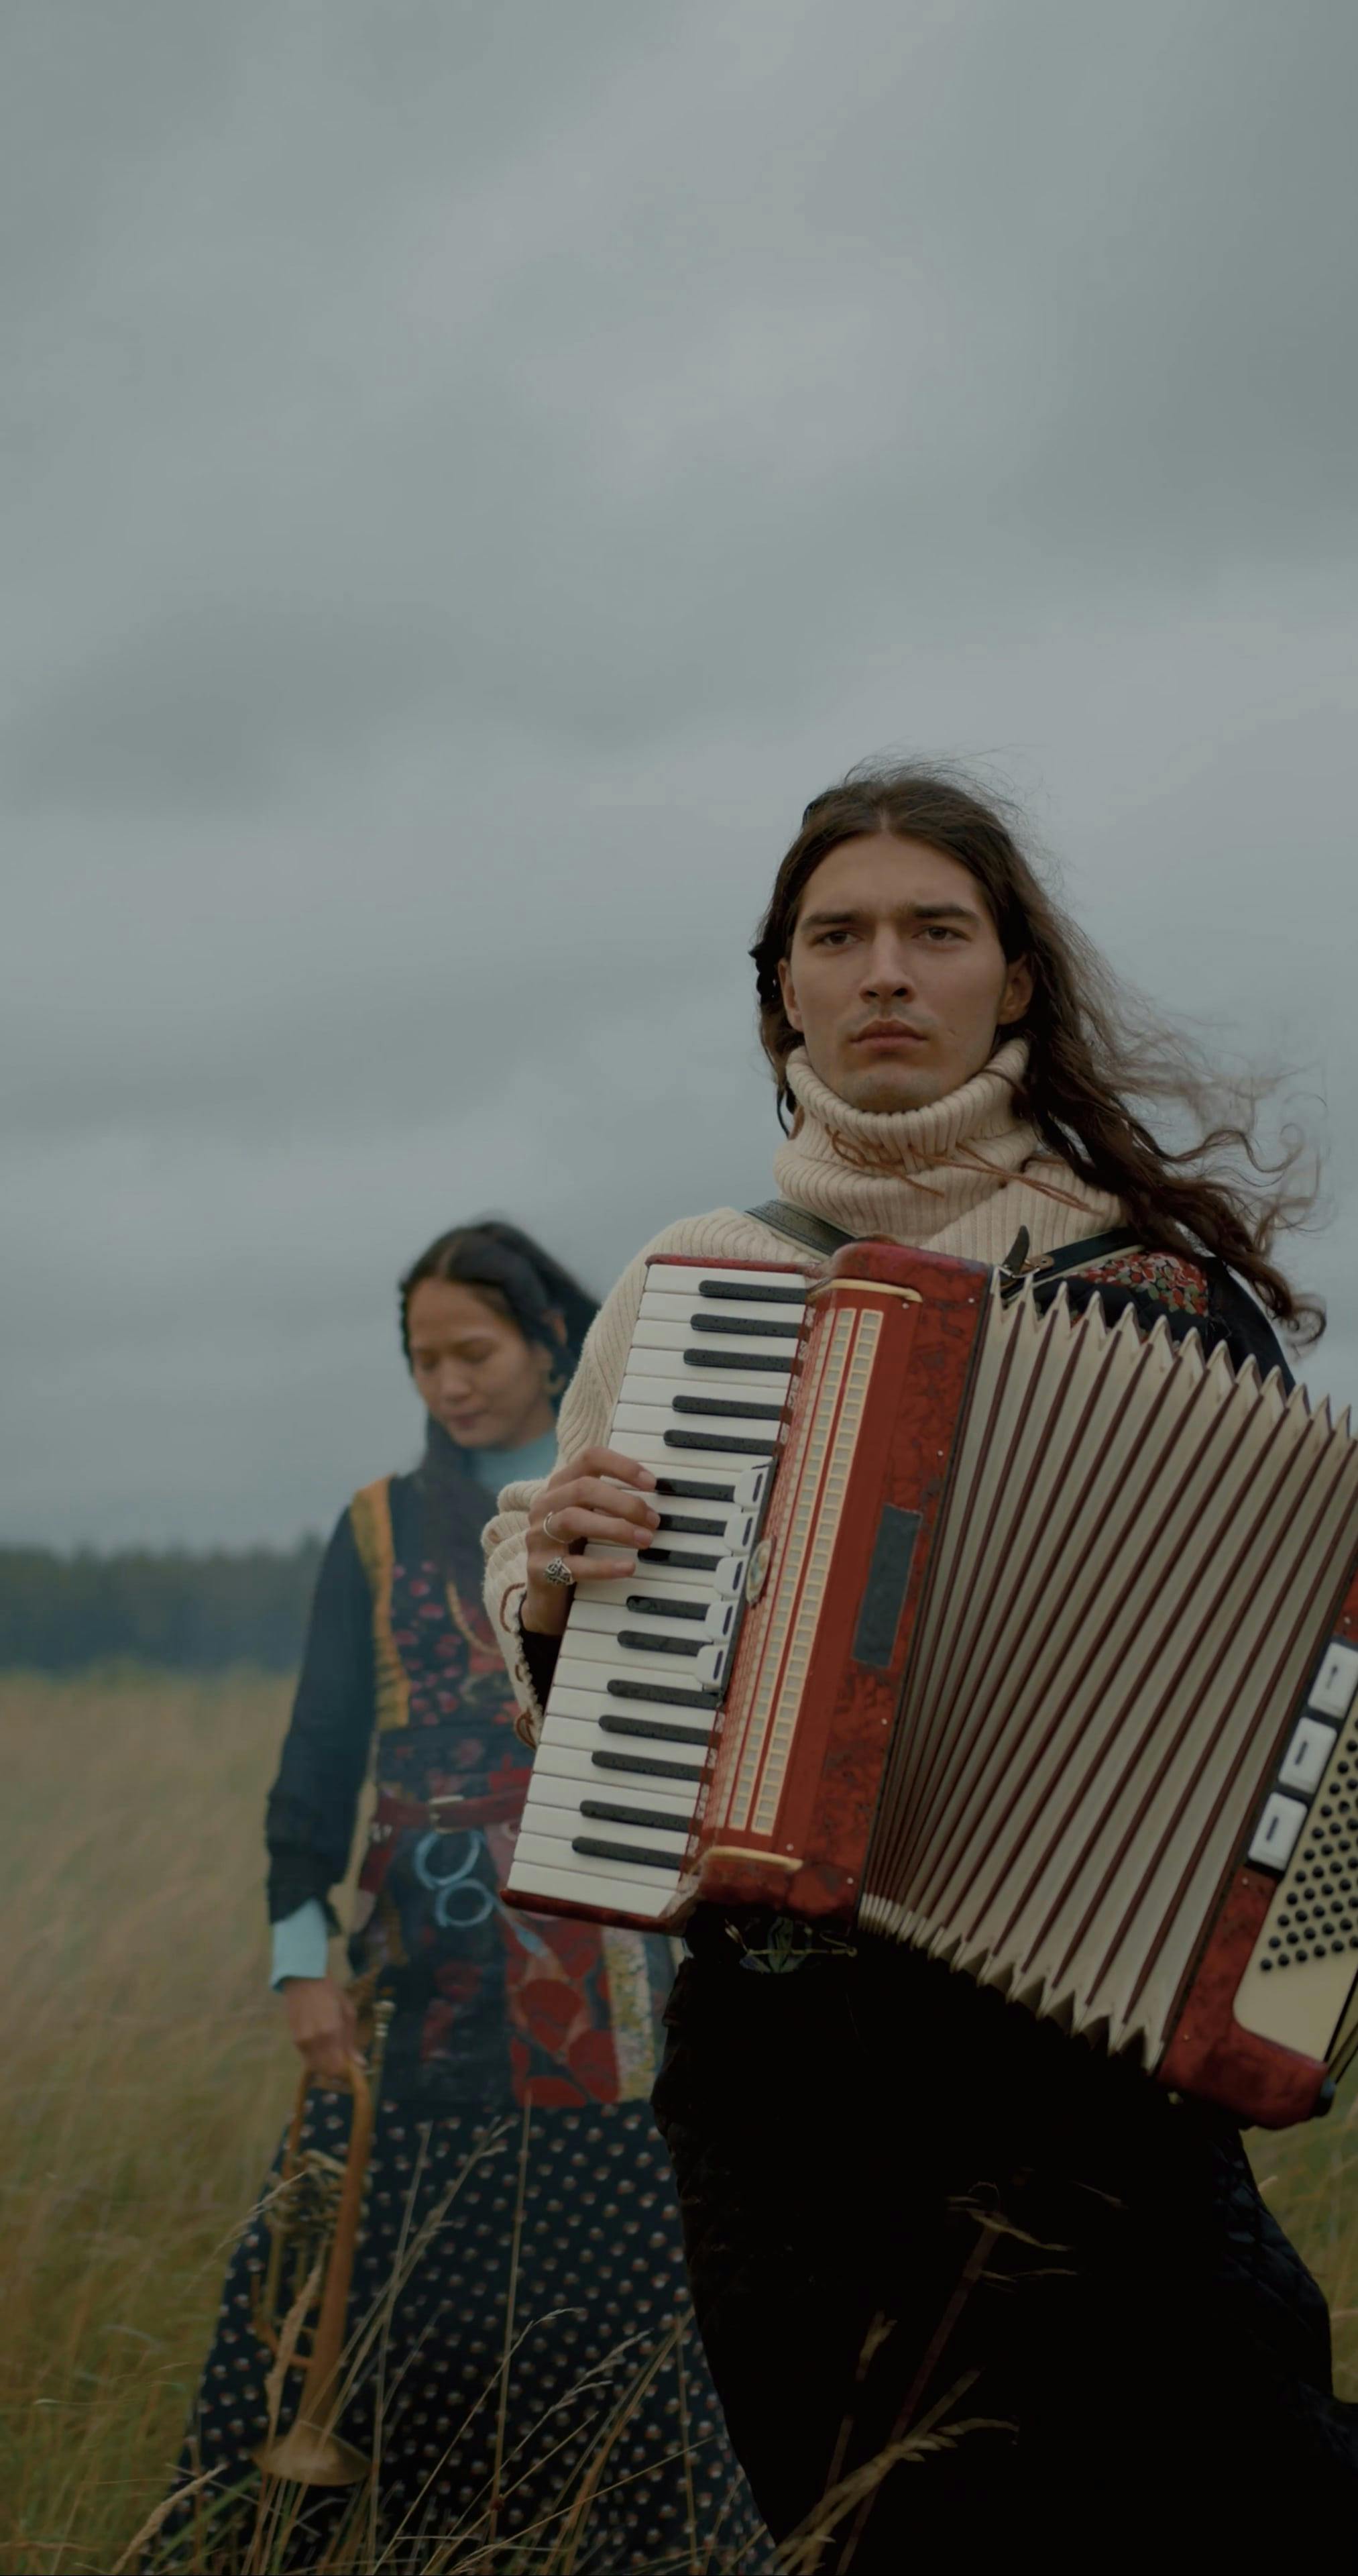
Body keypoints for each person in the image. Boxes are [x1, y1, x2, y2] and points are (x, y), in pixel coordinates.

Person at [482, 770, 1358, 2575]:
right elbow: (586, 1681)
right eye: (838, 936)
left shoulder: (1161, 1288)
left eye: (933, 931)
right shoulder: (696, 1284)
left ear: (1012, 980)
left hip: (1088, 2076)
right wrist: (557, 1587)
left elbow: (1300, 1683)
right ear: (780, 994)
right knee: (874, 2533)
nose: (885, 971)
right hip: (783, 2075)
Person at [154, 1221, 769, 2574]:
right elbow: (311, 1780)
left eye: (472, 1351)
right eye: (422, 1359)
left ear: (553, 1343)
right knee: (338, 2308)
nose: (447, 1383)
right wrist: (297, 1966)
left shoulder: (633, 1499)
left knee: (616, 2311)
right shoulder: (374, 1532)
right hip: (411, 2000)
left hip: (606, 1987)